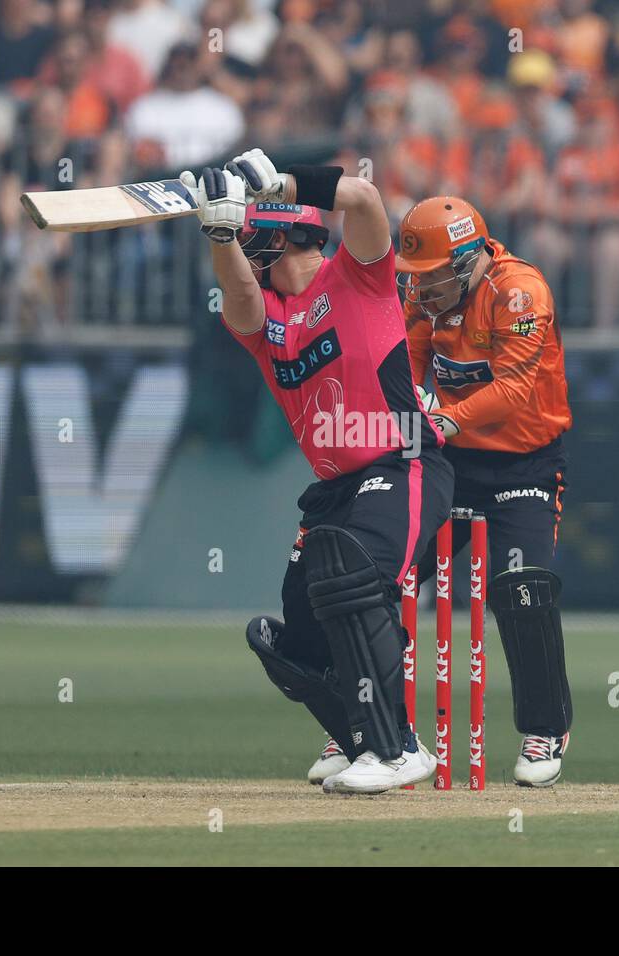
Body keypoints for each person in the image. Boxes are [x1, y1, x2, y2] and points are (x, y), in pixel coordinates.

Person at [180, 149, 454, 794]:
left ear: (280, 236)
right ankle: (357, 735)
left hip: (404, 459)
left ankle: (395, 749)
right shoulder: (264, 319)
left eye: (250, 242)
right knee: (291, 640)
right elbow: (241, 297)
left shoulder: (358, 276)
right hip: (335, 488)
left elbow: (360, 199)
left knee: (352, 570)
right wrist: (221, 233)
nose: (244, 258)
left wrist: (279, 180)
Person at [398, 196, 574, 787]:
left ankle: (546, 727)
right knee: (387, 574)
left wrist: (443, 419)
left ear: (469, 258)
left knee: (521, 589)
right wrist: (406, 417)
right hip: (452, 463)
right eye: (414, 278)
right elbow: (404, 370)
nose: (420, 291)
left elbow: (517, 390)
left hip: (525, 465)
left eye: (432, 277)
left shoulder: (519, 291)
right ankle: (368, 729)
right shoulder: (426, 301)